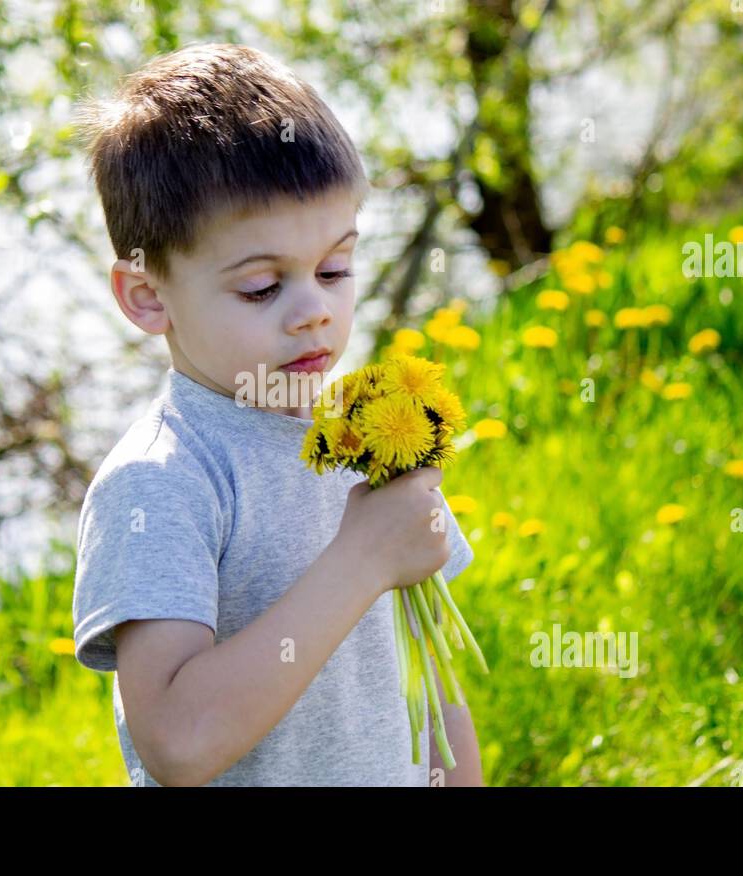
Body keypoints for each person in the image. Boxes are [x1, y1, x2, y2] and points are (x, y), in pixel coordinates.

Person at [70, 43, 481, 786]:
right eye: (262, 287)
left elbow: (433, 671)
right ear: (147, 296)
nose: (314, 312)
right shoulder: (160, 482)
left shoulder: (371, 429)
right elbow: (179, 742)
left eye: (334, 269)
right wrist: (359, 561)